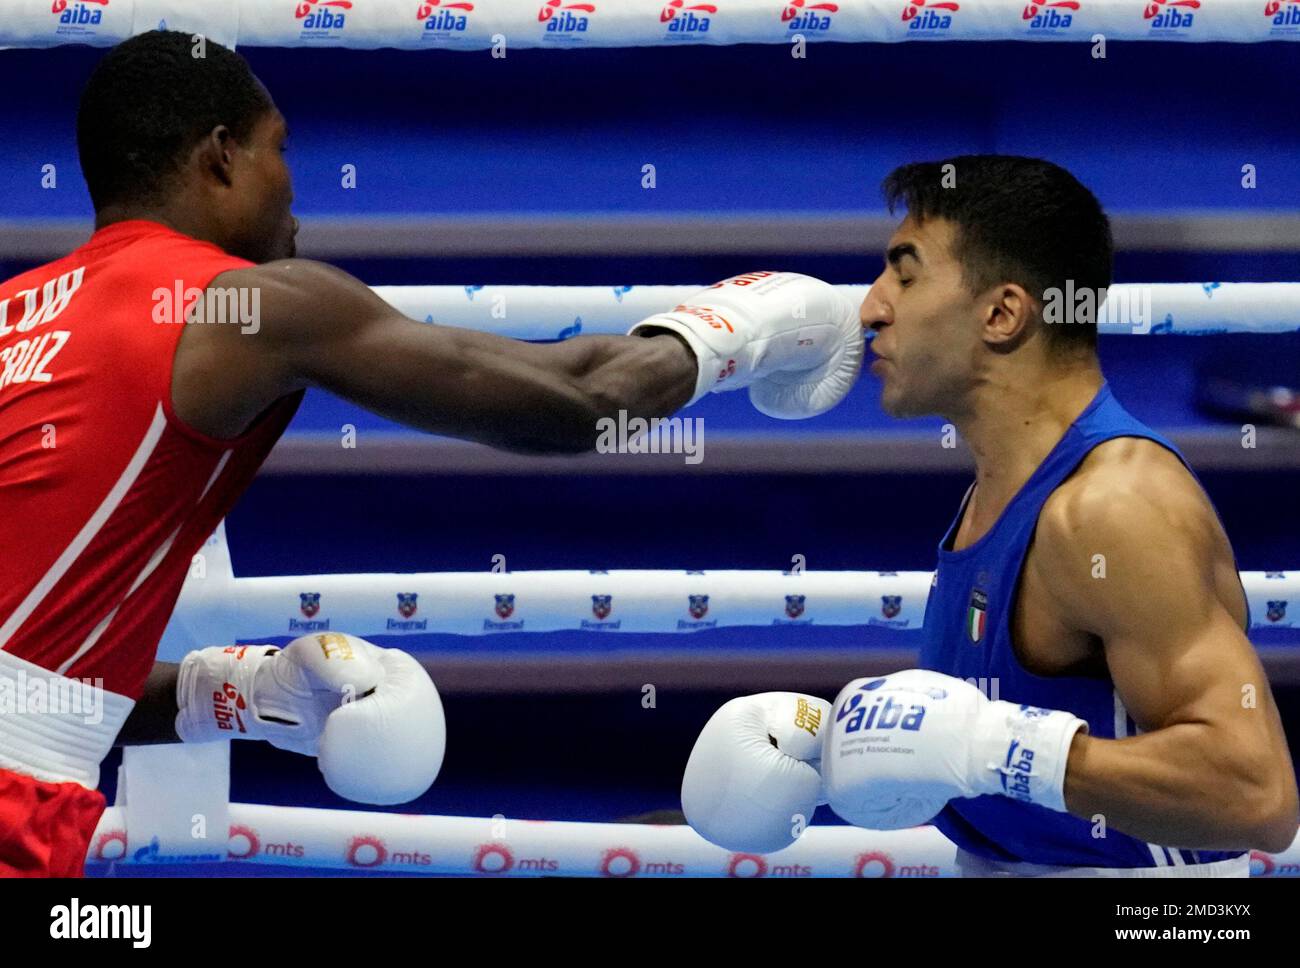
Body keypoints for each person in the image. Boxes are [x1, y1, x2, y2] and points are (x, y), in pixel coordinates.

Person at [0, 30, 863, 876]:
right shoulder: (248, 308)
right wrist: (727, 333)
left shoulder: (16, 314)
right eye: (280, 150)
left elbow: (39, 687)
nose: (294, 192)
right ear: (221, 156)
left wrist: (234, 694)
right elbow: (577, 406)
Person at [682, 155, 1299, 876]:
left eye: (905, 275)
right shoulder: (1002, 486)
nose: (871, 308)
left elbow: (1256, 796)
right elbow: (990, 764)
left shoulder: (1113, 508)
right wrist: (839, 758)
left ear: (1002, 314)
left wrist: (997, 748)